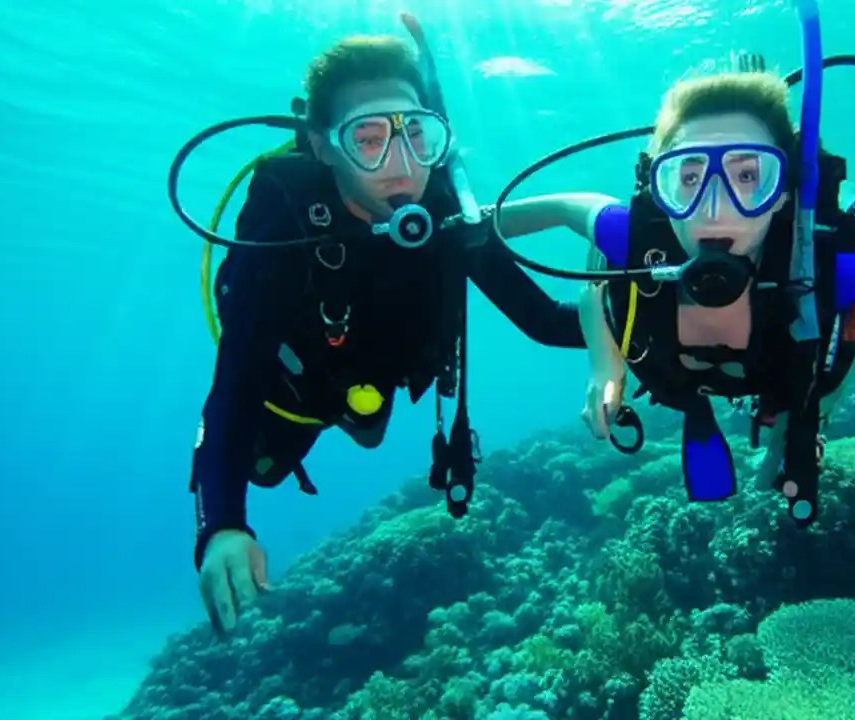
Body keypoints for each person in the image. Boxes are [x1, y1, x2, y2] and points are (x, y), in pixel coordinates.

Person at [178, 27, 598, 634]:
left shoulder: (446, 207)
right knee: (262, 467)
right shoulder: (284, 221)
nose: (400, 165)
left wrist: (656, 314)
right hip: (299, 393)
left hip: (380, 377)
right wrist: (220, 526)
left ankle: (361, 411)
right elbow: (234, 385)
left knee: (370, 424)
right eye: (369, 138)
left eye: (414, 134)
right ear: (322, 146)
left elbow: (545, 322)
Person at [489, 54, 855, 527]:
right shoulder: (638, 237)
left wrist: (811, 420)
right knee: (545, 322)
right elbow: (572, 214)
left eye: (748, 176)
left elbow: (845, 342)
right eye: (689, 178)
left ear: (783, 191)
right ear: (659, 191)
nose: (714, 209)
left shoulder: (819, 259)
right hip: (669, 348)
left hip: (779, 364)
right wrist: (604, 361)